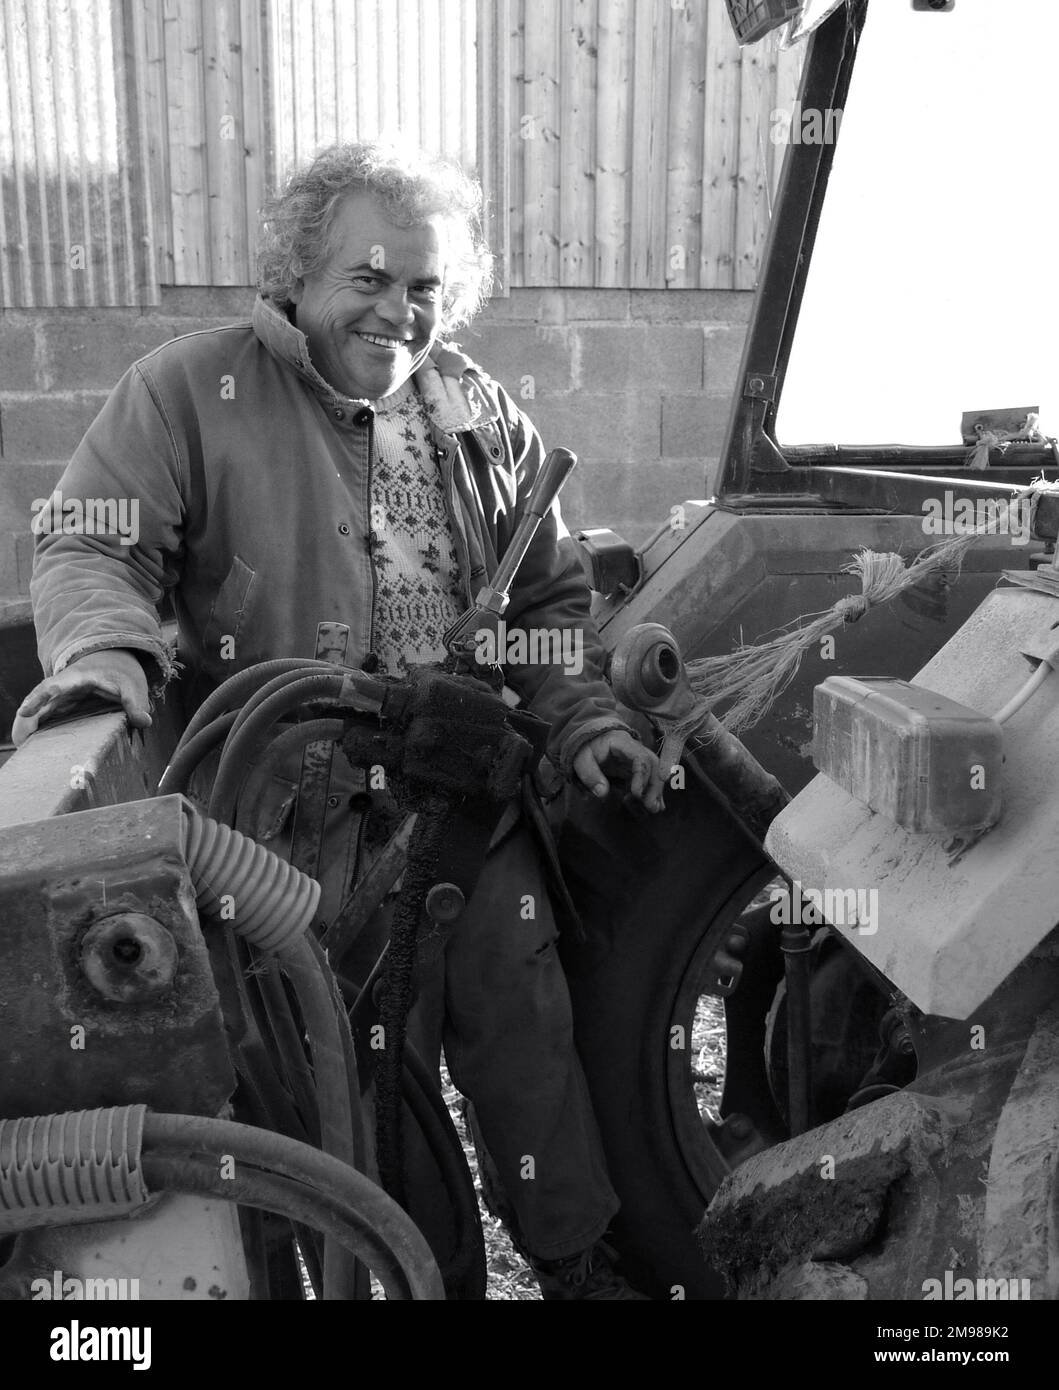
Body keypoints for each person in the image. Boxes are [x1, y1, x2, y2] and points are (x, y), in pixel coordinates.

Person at [15, 141, 664, 1300]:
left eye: (422, 286)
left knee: (533, 1053)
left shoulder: (481, 413)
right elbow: (91, 547)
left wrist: (576, 720)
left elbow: (554, 605)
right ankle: (352, 1277)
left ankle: (579, 1265)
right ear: (300, 272)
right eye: (367, 277)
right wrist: (106, 661)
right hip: (277, 836)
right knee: (336, 1084)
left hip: (466, 809)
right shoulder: (186, 391)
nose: (396, 309)